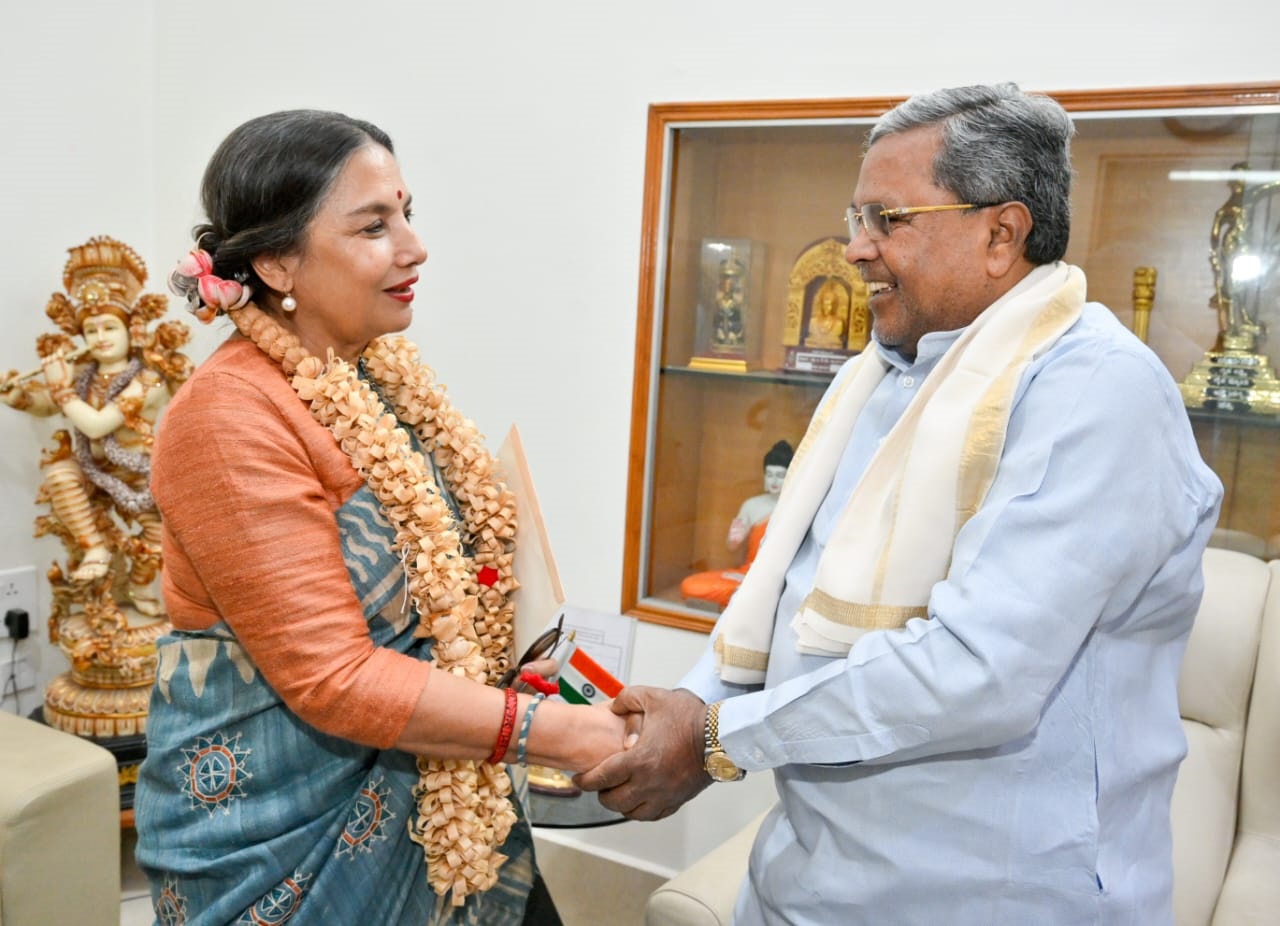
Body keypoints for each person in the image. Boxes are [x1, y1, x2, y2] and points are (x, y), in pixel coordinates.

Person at [578, 83, 1224, 924]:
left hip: (991, 898)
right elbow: (782, 592)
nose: (854, 249)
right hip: (805, 881)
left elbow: (975, 672)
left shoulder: (1097, 391)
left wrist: (714, 742)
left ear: (1002, 233)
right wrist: (692, 704)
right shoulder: (879, 374)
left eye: (888, 219)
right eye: (857, 218)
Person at [133, 110, 626, 926]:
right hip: (284, 839)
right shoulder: (228, 418)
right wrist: (562, 734)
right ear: (276, 260)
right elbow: (333, 676)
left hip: (445, 796)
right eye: (373, 225)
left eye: (407, 212)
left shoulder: (373, 375)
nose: (413, 246)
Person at [0, 236, 189, 618]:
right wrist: (16, 396)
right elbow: (47, 404)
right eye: (91, 331)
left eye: (109, 328)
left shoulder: (147, 378)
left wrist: (60, 388)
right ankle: (95, 548)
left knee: (157, 538)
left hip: (138, 475)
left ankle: (138, 588)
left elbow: (100, 425)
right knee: (59, 473)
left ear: (130, 332)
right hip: (91, 469)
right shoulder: (81, 374)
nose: (100, 338)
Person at [680, 440, 793, 609]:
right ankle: (749, 595)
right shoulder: (752, 505)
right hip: (747, 574)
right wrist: (734, 541)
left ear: (791, 475)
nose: (773, 481)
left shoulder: (796, 506)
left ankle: (753, 595)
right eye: (769, 475)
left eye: (780, 475)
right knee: (690, 585)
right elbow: (732, 548)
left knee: (778, 591)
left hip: (777, 578)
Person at [802, 278, 849, 349]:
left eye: (830, 305)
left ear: (834, 306)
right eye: (825, 304)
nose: (828, 308)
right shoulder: (813, 322)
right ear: (821, 305)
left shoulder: (838, 323)